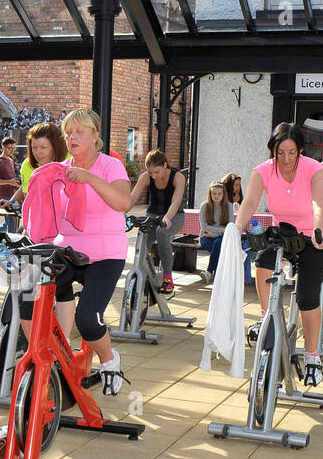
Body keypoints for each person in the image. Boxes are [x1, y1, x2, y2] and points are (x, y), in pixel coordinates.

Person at [18, 109, 132, 395]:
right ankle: (50, 355)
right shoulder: (58, 171)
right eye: (69, 132)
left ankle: (108, 360)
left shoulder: (110, 166)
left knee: (88, 320)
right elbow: (44, 215)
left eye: (80, 131)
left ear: (96, 136)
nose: (72, 137)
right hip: (67, 248)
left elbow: (123, 203)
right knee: (28, 297)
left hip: (106, 252)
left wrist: (88, 178)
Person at [232, 122, 323, 387]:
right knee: (262, 262)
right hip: (284, 233)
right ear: (273, 151)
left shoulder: (314, 170)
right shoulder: (263, 171)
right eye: (280, 153)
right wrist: (237, 228)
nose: (285, 159)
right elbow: (250, 202)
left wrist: (319, 230)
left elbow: (318, 205)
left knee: (308, 297)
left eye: (291, 152)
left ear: (300, 150)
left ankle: (312, 357)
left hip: (314, 236)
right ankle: (267, 318)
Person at [129, 149, 186, 294]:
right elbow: (132, 199)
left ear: (165, 165)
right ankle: (145, 274)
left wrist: (167, 217)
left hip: (175, 215)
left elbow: (176, 202)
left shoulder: (177, 177)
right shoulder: (145, 177)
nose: (153, 176)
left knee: (162, 232)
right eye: (150, 173)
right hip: (153, 215)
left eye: (157, 172)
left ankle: (168, 277)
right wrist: (121, 212)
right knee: (143, 239)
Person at [8, 121, 66, 207]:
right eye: (34, 148)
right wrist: (11, 202)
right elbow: (29, 199)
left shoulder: (71, 161)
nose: (38, 153)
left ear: (56, 146)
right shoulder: (28, 165)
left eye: (43, 147)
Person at [198, 180, 231, 283]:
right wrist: (221, 230)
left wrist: (215, 234)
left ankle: (208, 272)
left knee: (218, 243)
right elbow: (205, 227)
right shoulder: (205, 206)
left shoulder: (228, 206)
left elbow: (230, 226)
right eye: (214, 193)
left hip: (220, 238)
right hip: (206, 237)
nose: (216, 196)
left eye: (219, 193)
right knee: (218, 246)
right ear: (210, 194)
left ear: (223, 194)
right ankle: (218, 273)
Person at [0, 137, 20, 202]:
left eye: (13, 148)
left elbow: (10, 178)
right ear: (3, 147)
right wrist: (10, 182)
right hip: (3, 197)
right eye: (10, 148)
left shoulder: (11, 160)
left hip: (13, 196)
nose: (12, 151)